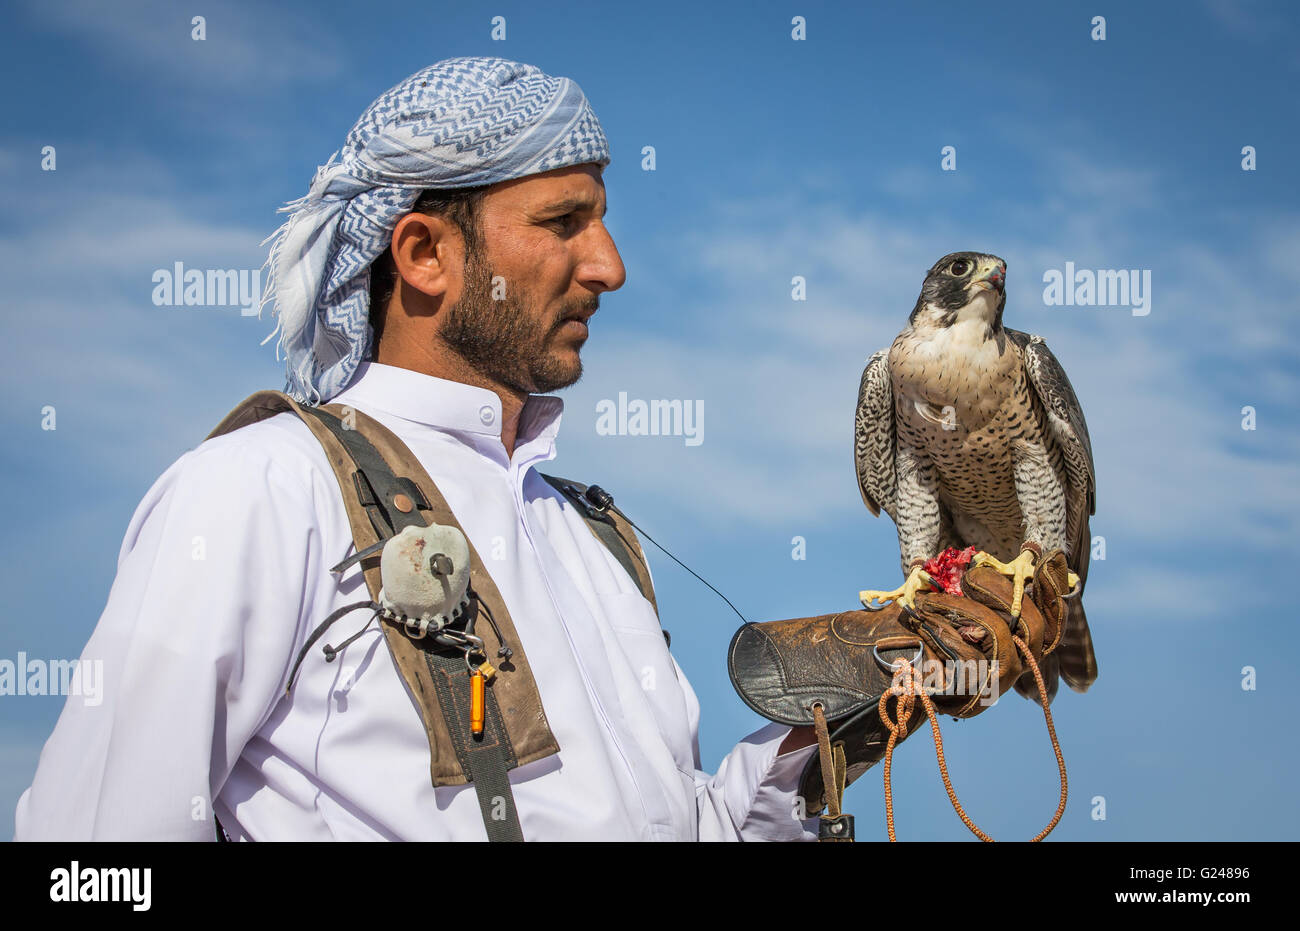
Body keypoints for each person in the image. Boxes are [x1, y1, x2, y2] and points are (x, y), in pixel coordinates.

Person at [14, 57, 818, 842]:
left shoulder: (596, 537)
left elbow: (681, 821)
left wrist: (840, 719)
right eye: (562, 222)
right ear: (424, 254)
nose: (609, 265)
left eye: (601, 221)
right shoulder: (259, 486)